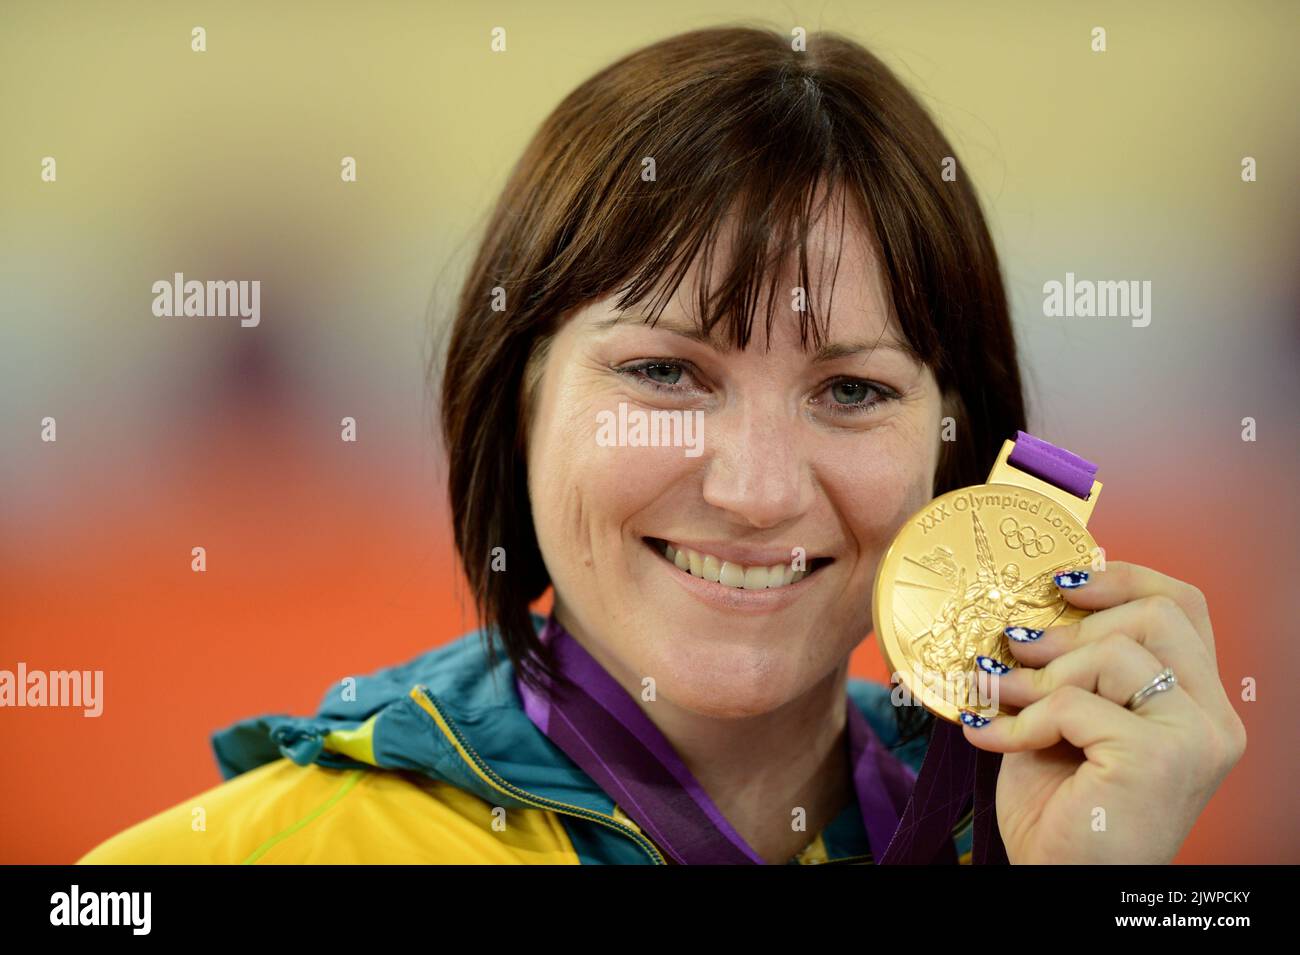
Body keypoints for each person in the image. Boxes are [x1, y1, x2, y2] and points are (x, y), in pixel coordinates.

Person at [77, 25, 1244, 866]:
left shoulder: (1035, 838)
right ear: (516, 400)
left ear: (959, 455)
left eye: (849, 389)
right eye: (664, 373)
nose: (754, 489)